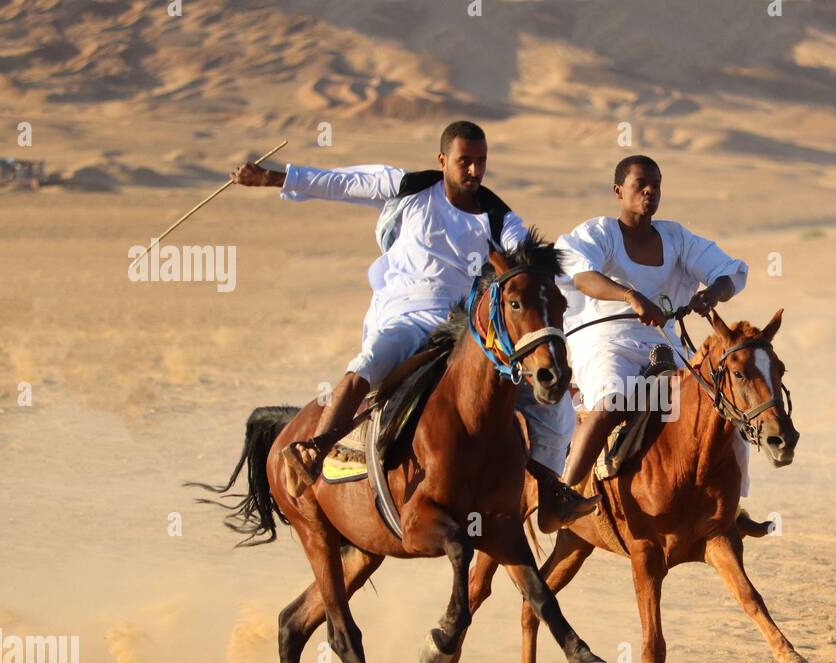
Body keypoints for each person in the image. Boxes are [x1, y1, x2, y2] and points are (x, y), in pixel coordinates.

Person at [230, 120, 595, 529]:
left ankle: (550, 493)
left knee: (557, 406)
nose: (474, 171)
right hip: (404, 315)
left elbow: (527, 260)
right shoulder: (411, 189)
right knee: (367, 365)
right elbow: (343, 183)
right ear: (442, 160)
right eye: (464, 161)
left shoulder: (498, 218)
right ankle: (315, 451)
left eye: (481, 162)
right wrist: (271, 178)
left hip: (462, 329)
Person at [554, 154, 752, 499]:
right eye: (640, 185)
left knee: (724, 408)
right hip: (607, 341)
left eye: (655, 185)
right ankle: (563, 496)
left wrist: (713, 294)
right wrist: (630, 296)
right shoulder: (599, 232)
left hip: (665, 344)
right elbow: (582, 277)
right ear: (619, 190)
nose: (649, 192)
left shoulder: (677, 237)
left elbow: (730, 271)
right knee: (611, 402)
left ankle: (729, 510)